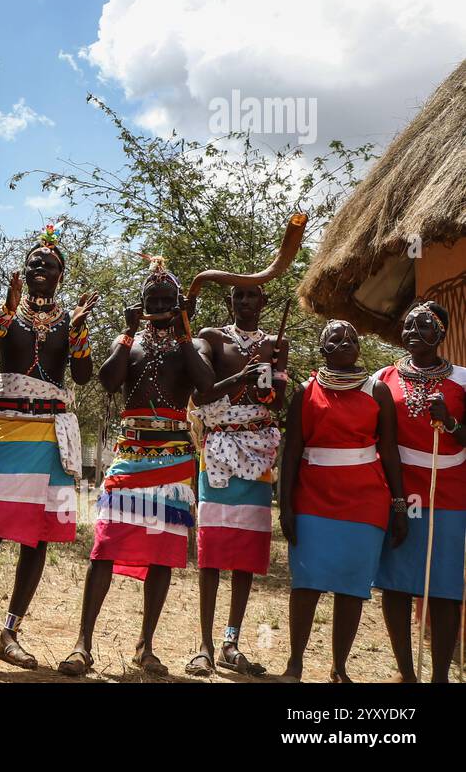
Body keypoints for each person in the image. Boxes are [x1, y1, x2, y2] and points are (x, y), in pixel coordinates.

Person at [0, 225, 95, 670]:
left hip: (50, 436)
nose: (39, 268)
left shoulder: (70, 319)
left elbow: (82, 378)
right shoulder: (7, 313)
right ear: (24, 273)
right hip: (7, 431)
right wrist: (4, 314)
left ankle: (10, 632)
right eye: (33, 263)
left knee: (37, 537)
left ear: (60, 274)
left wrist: (80, 333)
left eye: (48, 264)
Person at [58, 256, 212, 678]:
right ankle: (82, 643)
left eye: (168, 300)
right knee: (105, 547)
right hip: (131, 456)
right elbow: (108, 382)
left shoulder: (193, 346)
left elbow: (204, 385)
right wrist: (126, 333)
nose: (159, 306)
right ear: (141, 303)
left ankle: (146, 645)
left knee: (162, 554)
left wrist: (183, 333)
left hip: (175, 460)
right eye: (152, 300)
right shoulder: (129, 342)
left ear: (179, 304)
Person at [279, 320, 407, 682]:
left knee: (352, 588)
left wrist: (399, 508)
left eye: (352, 337)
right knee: (307, 583)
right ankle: (295, 663)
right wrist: (286, 505)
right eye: (336, 338)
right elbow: (292, 452)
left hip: (365, 502)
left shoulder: (377, 390)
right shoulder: (306, 391)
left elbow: (390, 453)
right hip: (313, 499)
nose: (347, 342)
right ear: (323, 350)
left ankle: (339, 667)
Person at [184, 284, 287, 677]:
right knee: (212, 550)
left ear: (264, 302)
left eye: (252, 296)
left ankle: (231, 640)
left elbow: (276, 403)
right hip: (219, 451)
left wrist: (269, 383)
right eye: (238, 296)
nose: (244, 302)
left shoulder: (277, 342)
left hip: (260, 450)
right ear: (230, 302)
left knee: (245, 553)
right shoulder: (212, 338)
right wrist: (243, 377)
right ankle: (205, 646)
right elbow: (202, 391)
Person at [373, 301, 466, 683]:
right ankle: (406, 673)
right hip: (399, 490)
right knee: (396, 581)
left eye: (423, 325)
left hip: (450, 492)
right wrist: (395, 500)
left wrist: (450, 420)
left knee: (444, 586)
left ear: (441, 333)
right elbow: (381, 440)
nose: (413, 332)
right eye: (408, 326)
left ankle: (440, 675)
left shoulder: (462, 379)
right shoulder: (383, 377)